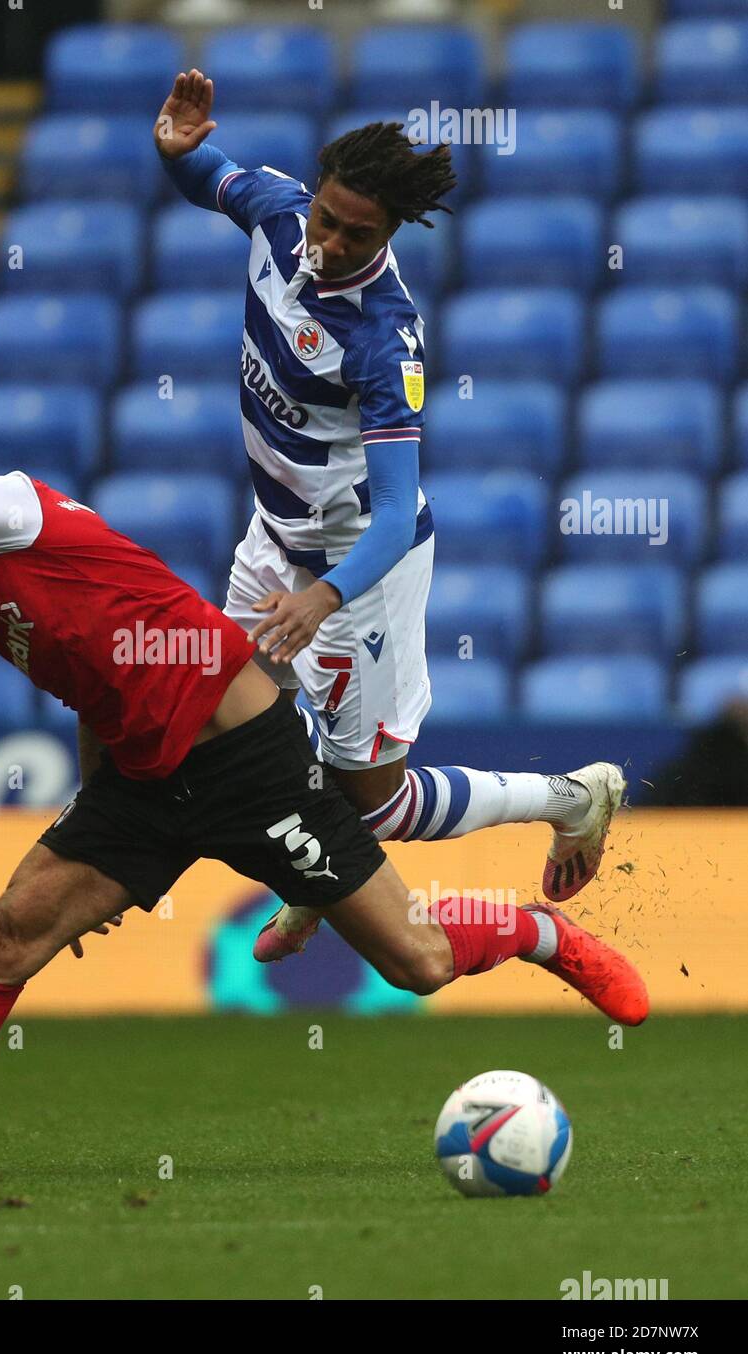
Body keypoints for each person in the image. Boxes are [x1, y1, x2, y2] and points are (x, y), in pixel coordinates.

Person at [0, 429, 648, 1180]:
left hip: (246, 759)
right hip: (141, 785)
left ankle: (536, 935)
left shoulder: (5, 505)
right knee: (6, 937)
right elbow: (97, 700)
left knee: (419, 961)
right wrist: (99, 844)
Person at [154, 71, 624, 959]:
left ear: (391, 232)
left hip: (358, 569)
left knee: (384, 804)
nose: (327, 243)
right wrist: (173, 149)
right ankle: (321, 870)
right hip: (275, 541)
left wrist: (324, 598)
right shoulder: (278, 214)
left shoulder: (380, 339)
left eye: (354, 233)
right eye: (326, 218)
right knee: (226, 724)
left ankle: (573, 796)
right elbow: (202, 171)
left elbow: (396, 510)